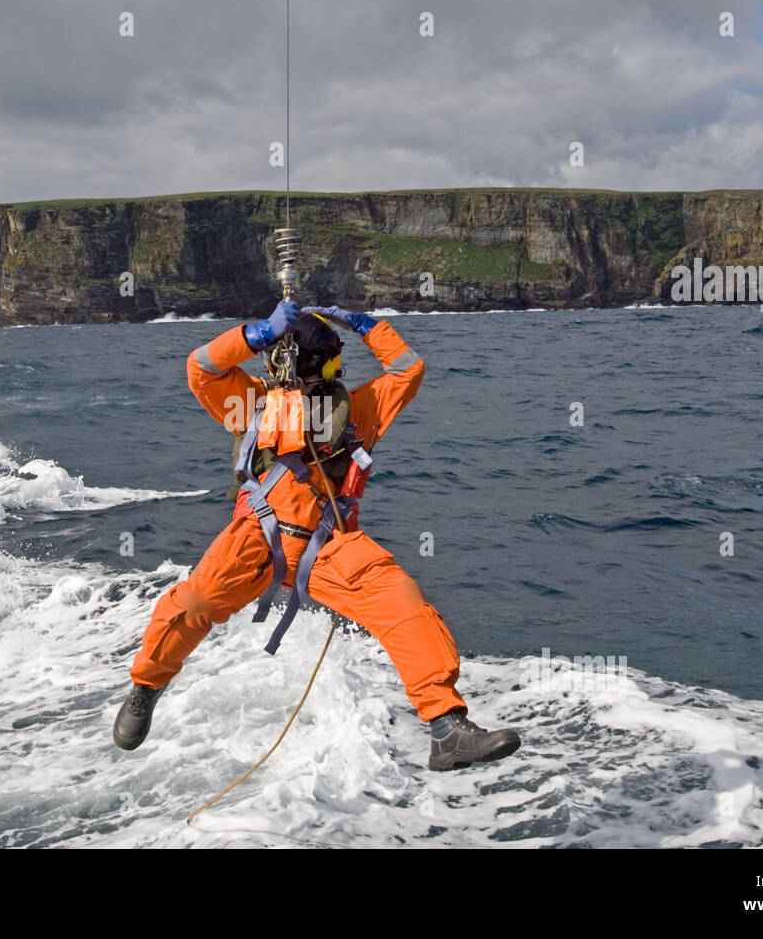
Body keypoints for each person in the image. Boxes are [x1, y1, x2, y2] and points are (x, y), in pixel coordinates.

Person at [113, 301, 520, 771]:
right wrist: (256, 332)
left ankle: (446, 728)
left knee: (402, 601)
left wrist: (365, 324)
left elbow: (409, 370)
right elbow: (201, 366)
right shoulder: (252, 402)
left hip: (328, 545)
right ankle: (146, 688)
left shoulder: (358, 409)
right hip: (255, 538)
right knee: (196, 602)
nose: (308, 375)